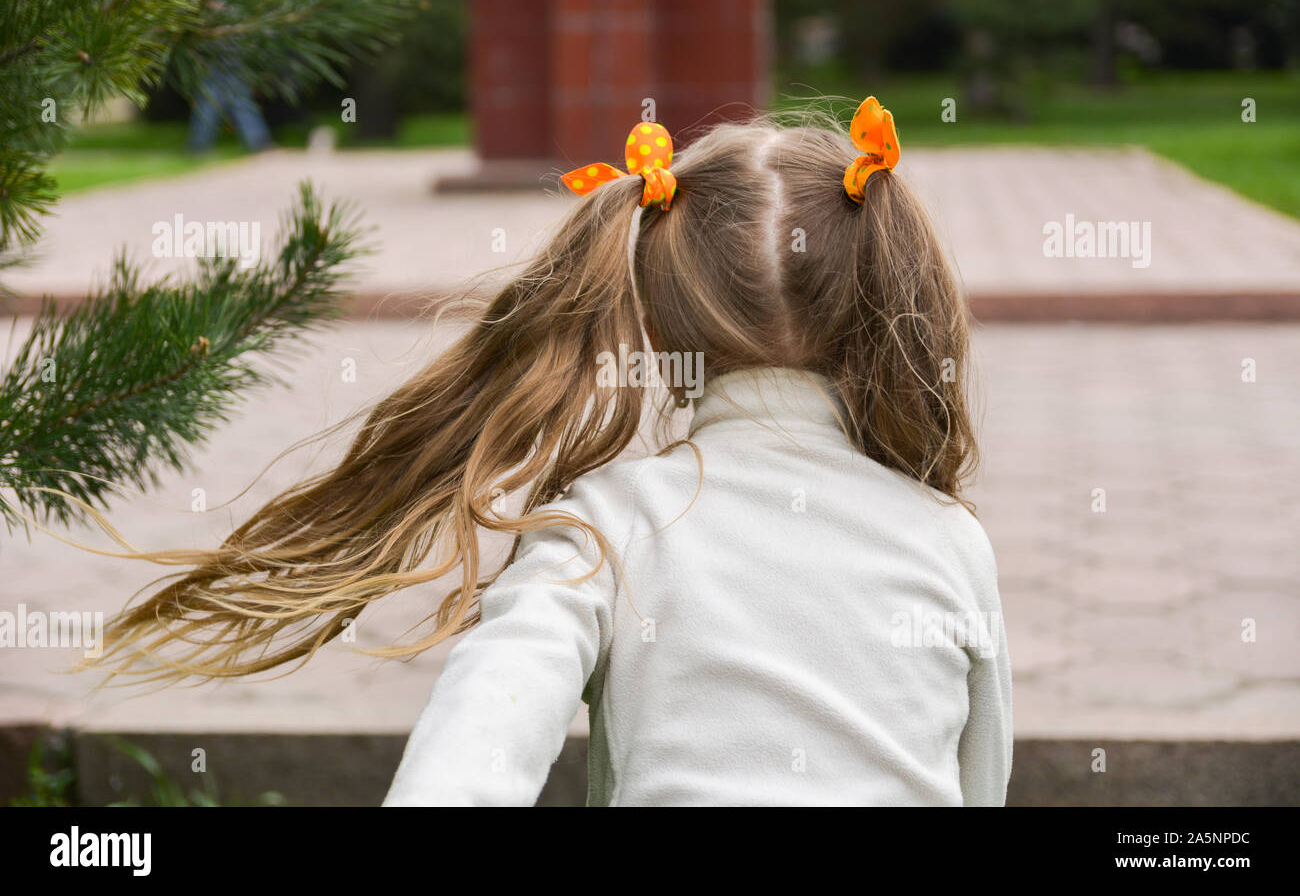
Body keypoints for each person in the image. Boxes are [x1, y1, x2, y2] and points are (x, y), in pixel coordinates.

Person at [92, 97, 1013, 806]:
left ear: (649, 322)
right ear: (890, 310)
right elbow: (982, 783)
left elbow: (473, 753)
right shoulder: (947, 539)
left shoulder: (605, 526)